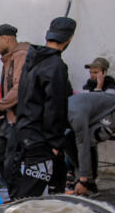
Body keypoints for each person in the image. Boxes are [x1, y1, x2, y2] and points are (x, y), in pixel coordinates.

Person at [4, 16, 76, 199]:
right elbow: (55, 106)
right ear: (69, 39)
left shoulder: (32, 60)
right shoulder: (56, 65)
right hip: (41, 138)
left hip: (25, 131)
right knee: (27, 197)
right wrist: (55, 143)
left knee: (51, 188)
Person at [64, 91, 115, 196]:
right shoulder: (60, 112)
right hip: (99, 113)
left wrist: (83, 180)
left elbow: (83, 146)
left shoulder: (76, 116)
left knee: (90, 138)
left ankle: (89, 184)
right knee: (67, 139)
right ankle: (84, 179)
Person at [0, 24, 29, 177]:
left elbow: (18, 89)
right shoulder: (8, 59)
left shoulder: (21, 56)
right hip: (8, 117)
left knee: (11, 163)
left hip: (19, 119)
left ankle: (16, 195)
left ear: (6, 39)